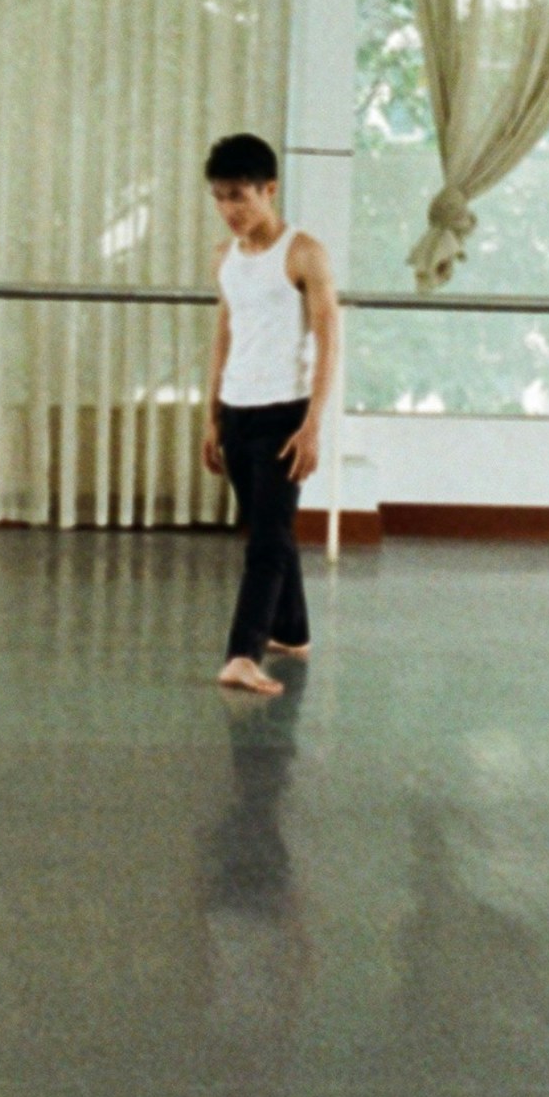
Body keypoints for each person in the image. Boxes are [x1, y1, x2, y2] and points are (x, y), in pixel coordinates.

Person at [198, 132, 337, 697]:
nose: (229, 209)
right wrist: (210, 416)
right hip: (237, 411)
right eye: (219, 197)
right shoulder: (224, 258)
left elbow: (330, 342)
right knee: (269, 531)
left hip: (285, 412)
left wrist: (313, 424)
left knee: (268, 539)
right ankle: (293, 630)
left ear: (269, 189)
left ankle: (243, 654)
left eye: (239, 196)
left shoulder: (304, 253)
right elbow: (224, 335)